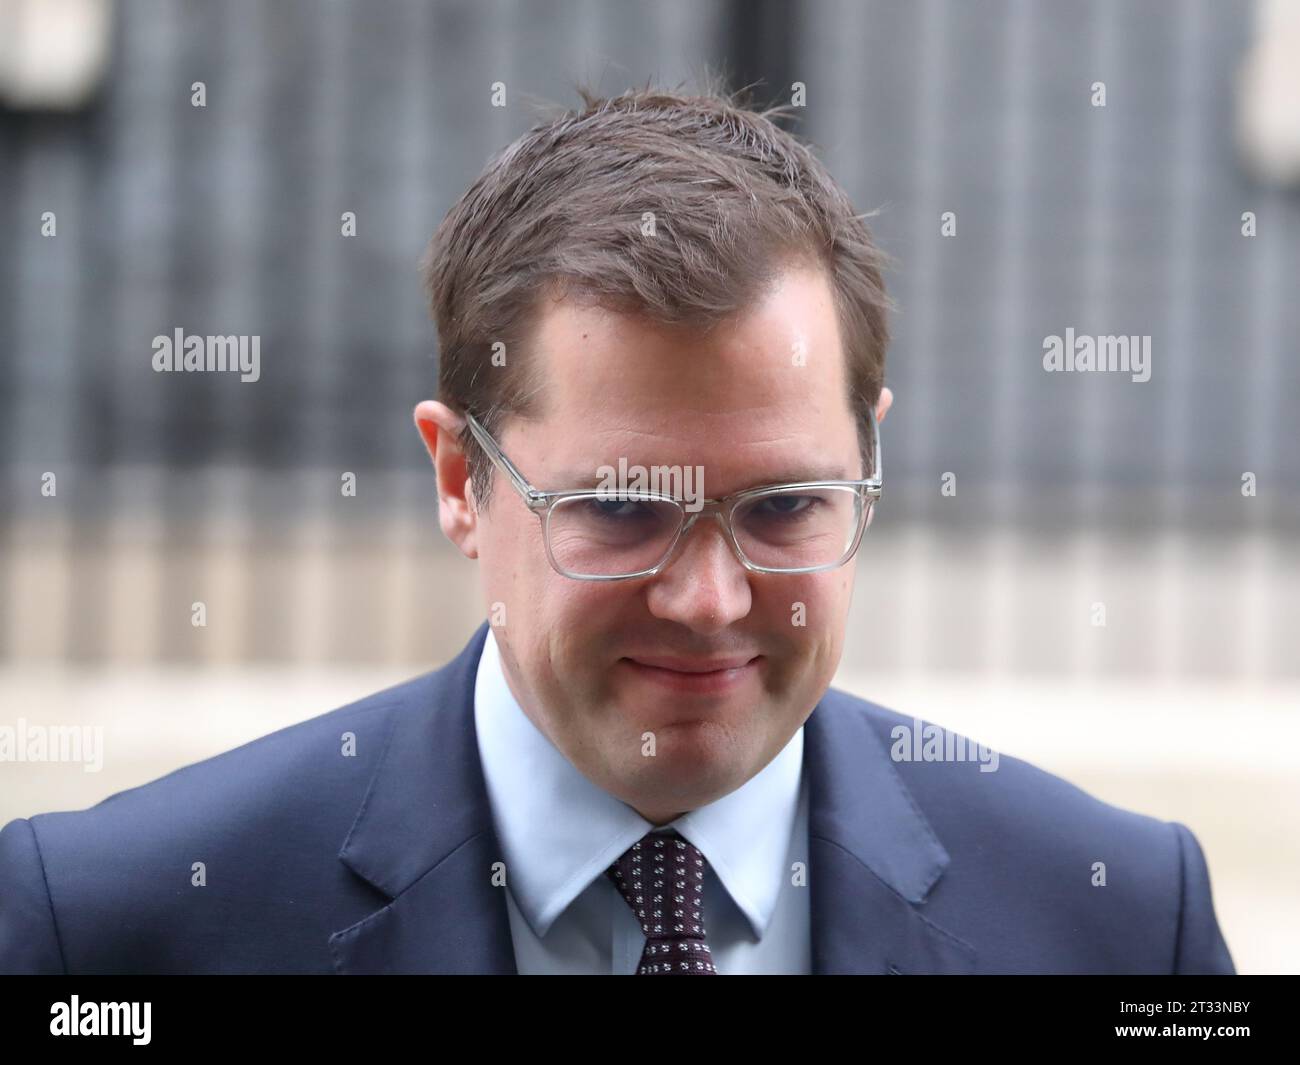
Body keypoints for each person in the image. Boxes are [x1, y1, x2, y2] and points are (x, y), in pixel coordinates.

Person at [0, 82, 1234, 975]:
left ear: (872, 461)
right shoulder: (113, 927)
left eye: (786, 505)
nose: (709, 600)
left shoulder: (1122, 921)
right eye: (623, 510)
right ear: (457, 479)